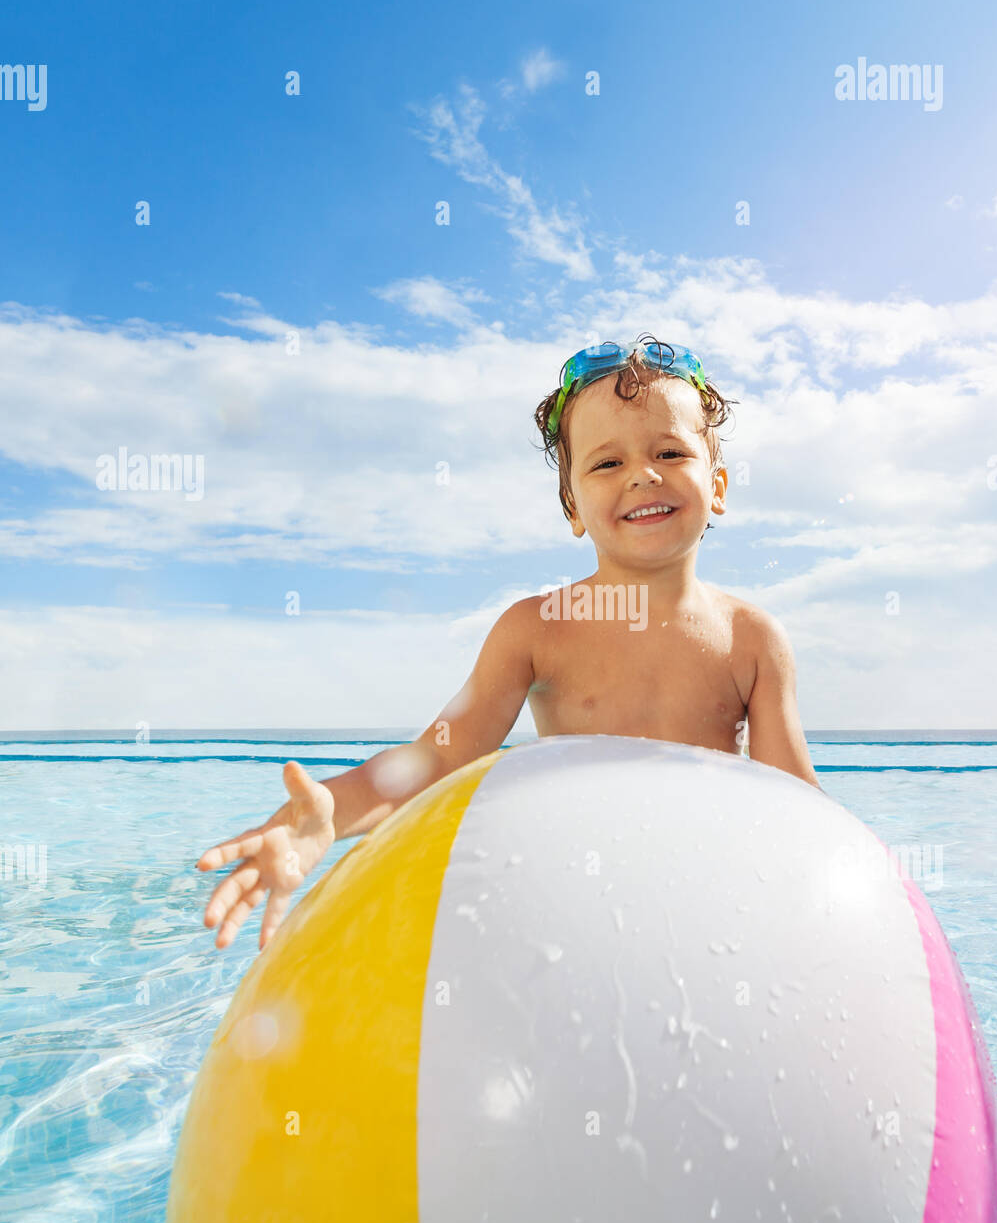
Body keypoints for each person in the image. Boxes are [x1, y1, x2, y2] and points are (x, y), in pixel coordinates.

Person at [197, 335, 821, 951]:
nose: (643, 475)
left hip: (705, 900)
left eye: (671, 452)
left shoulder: (752, 640)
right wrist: (328, 814)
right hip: (579, 903)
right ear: (573, 508)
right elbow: (437, 762)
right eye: (607, 463)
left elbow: (796, 809)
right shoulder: (537, 629)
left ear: (717, 486)